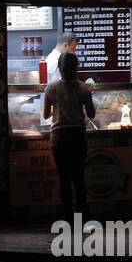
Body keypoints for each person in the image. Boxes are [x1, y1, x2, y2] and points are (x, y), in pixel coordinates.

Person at [42, 51, 96, 225]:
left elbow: (45, 115)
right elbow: (92, 114)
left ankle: (66, 217)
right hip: (78, 136)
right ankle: (82, 215)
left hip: (59, 137)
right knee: (79, 177)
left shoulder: (51, 88)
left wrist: (58, 108)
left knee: (64, 177)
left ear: (60, 68)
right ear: (76, 69)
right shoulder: (84, 88)